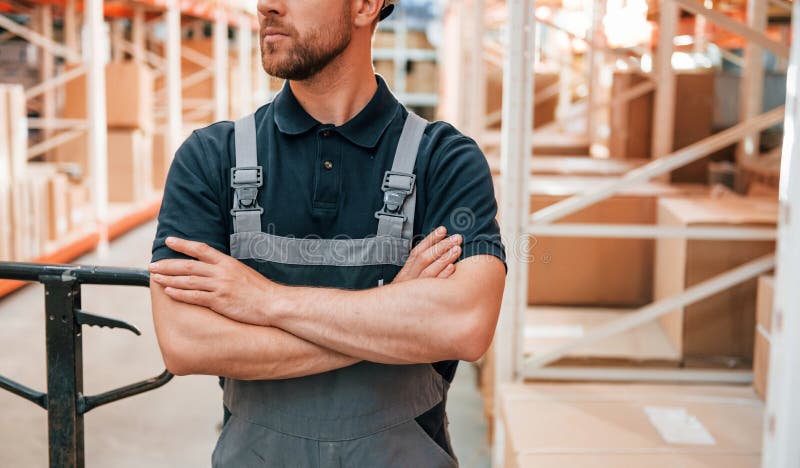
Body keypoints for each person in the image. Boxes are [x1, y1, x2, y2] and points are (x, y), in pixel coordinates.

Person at [148, 0, 506, 465]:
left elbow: (465, 324)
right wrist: (392, 314)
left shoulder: (444, 160)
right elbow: (185, 342)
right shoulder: (212, 158)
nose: (265, 6)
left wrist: (264, 301)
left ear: (364, 7)